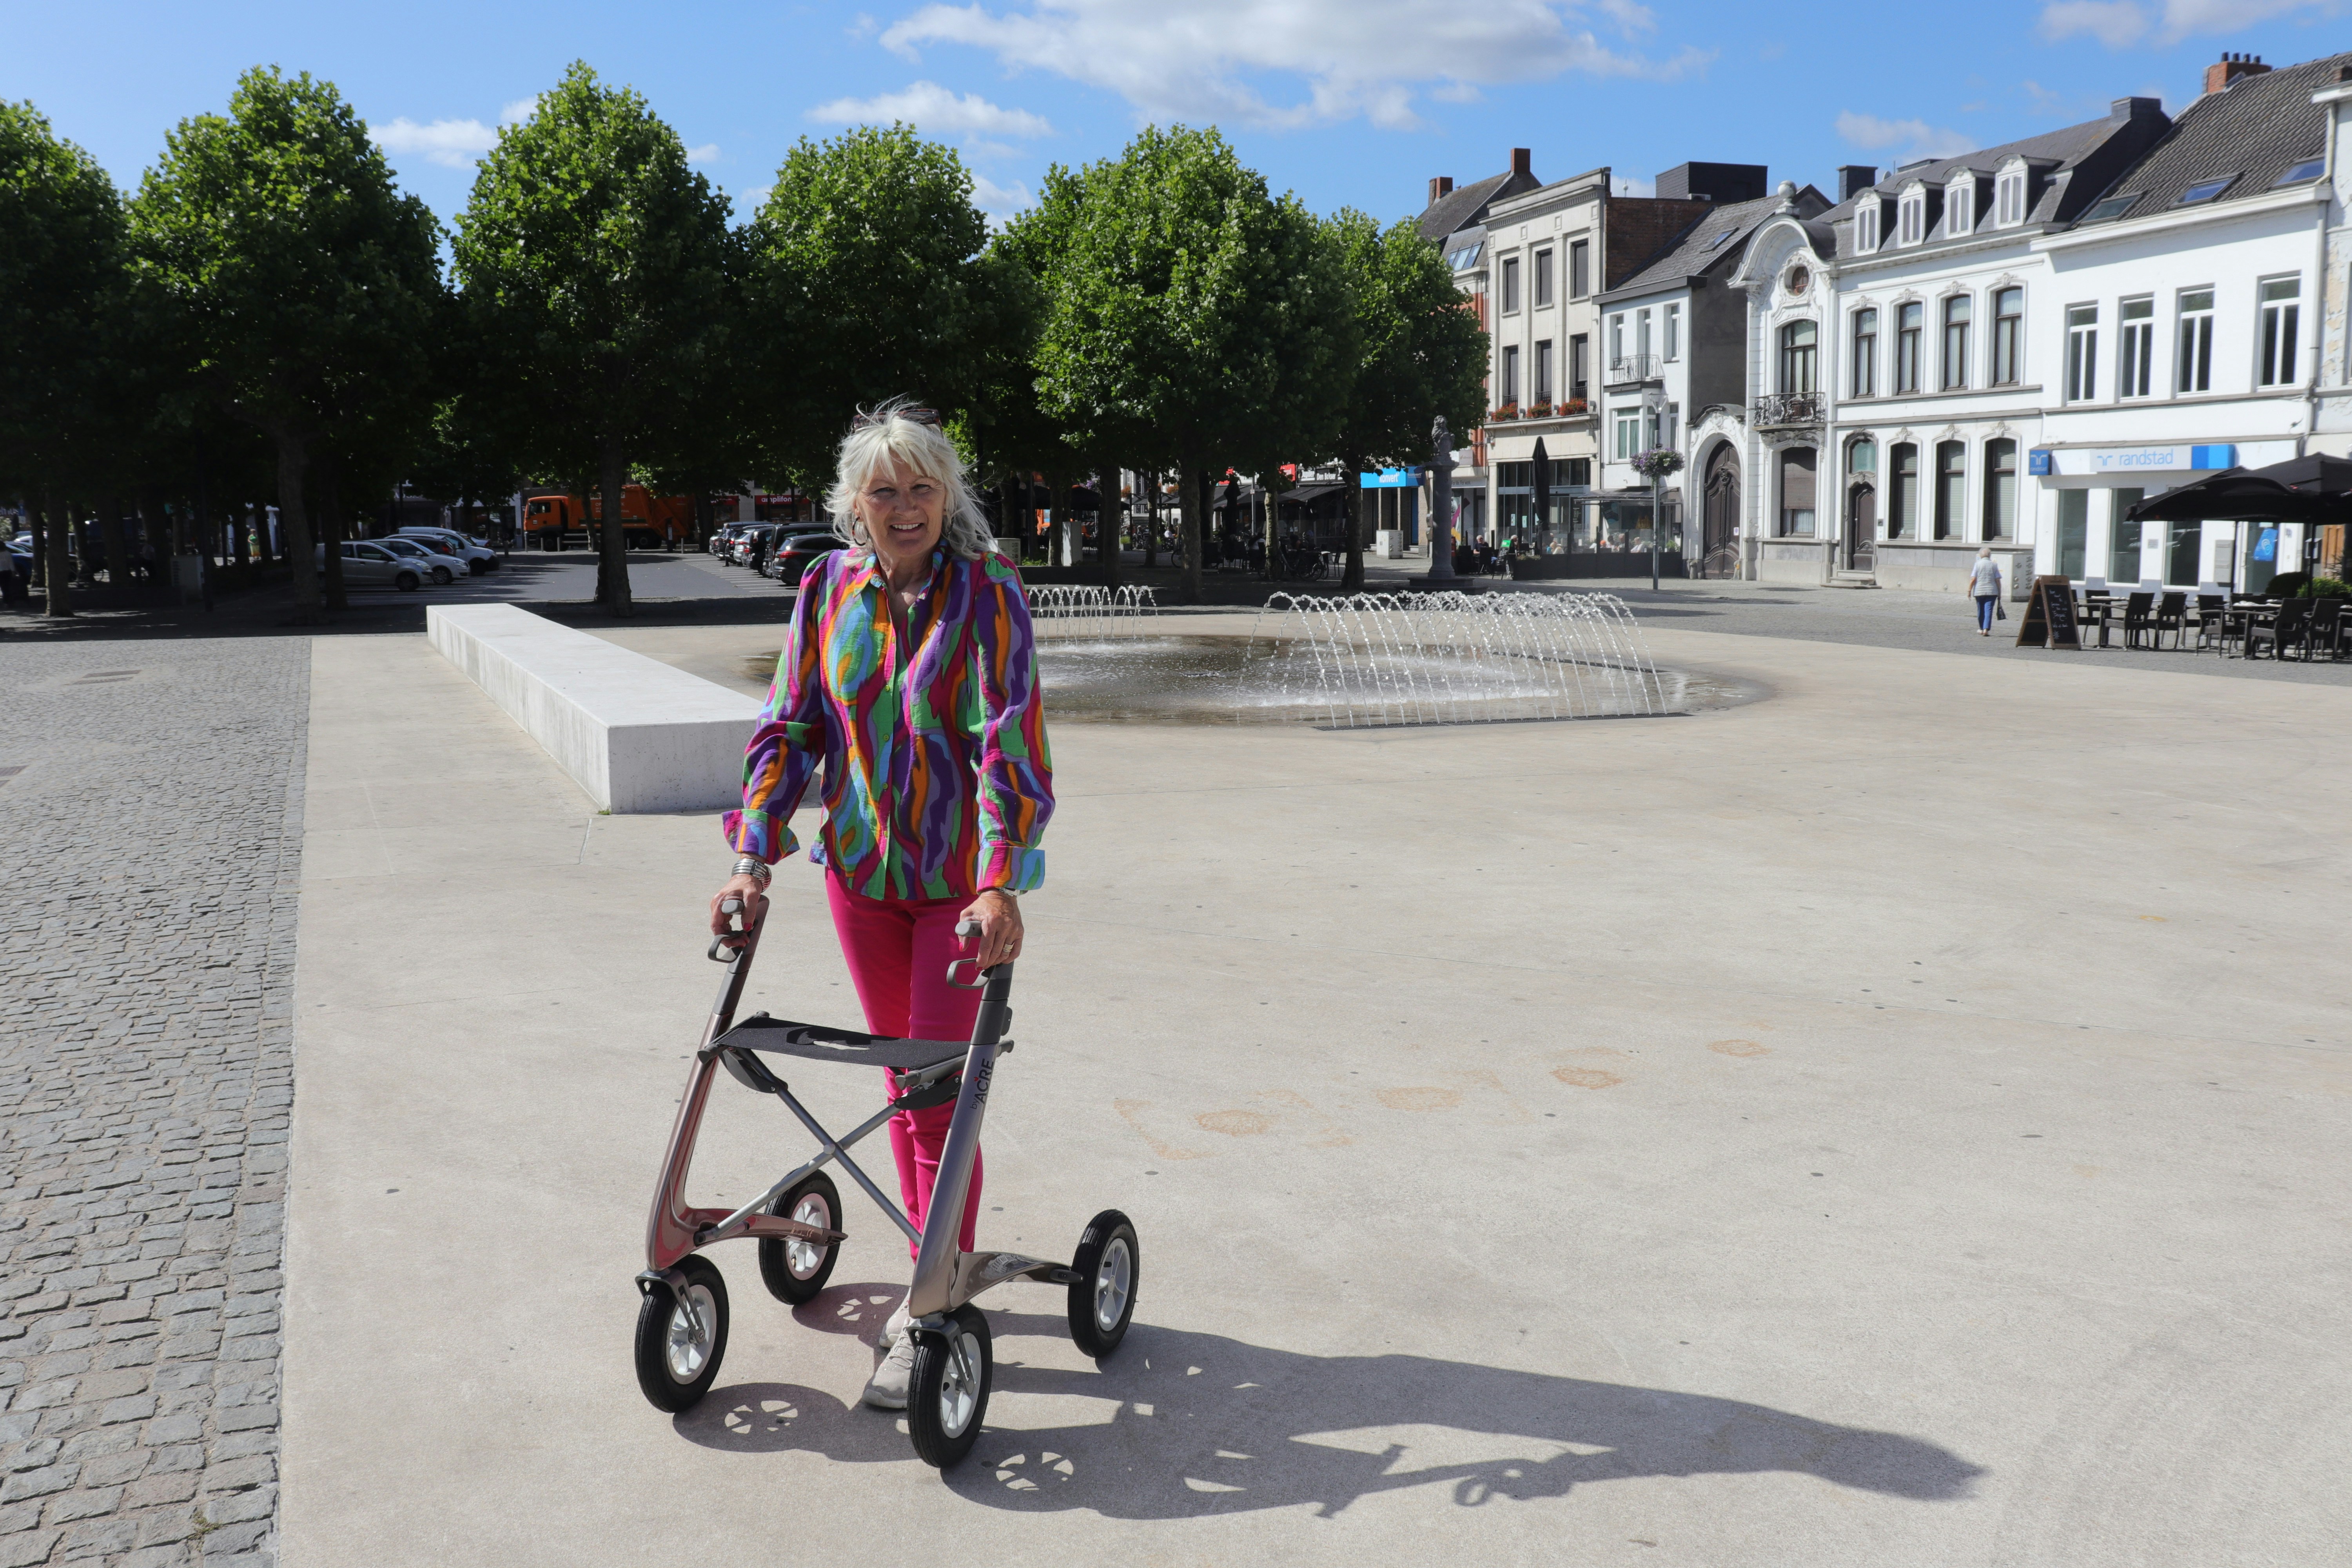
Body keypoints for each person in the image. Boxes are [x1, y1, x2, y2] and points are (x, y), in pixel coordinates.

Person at [710, 400, 1051, 1413]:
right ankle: (931, 1261)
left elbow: (1009, 739)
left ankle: (930, 1306)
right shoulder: (826, 587)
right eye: (885, 490)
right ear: (853, 504)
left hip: (958, 893)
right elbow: (789, 728)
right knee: (902, 1091)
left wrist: (1001, 878)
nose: (906, 508)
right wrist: (753, 854)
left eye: (923, 487)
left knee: (942, 1099)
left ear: (949, 494)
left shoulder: (988, 592)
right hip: (860, 878)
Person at [1967, 547, 2004, 635]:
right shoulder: (1994, 565)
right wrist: (2000, 593)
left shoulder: (1977, 565)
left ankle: (1981, 628)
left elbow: (1973, 579)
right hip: (1992, 592)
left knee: (1981, 610)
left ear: (1980, 556)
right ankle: (1986, 629)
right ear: (1990, 555)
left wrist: (1969, 590)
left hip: (1979, 592)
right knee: (1989, 610)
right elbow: (1998, 580)